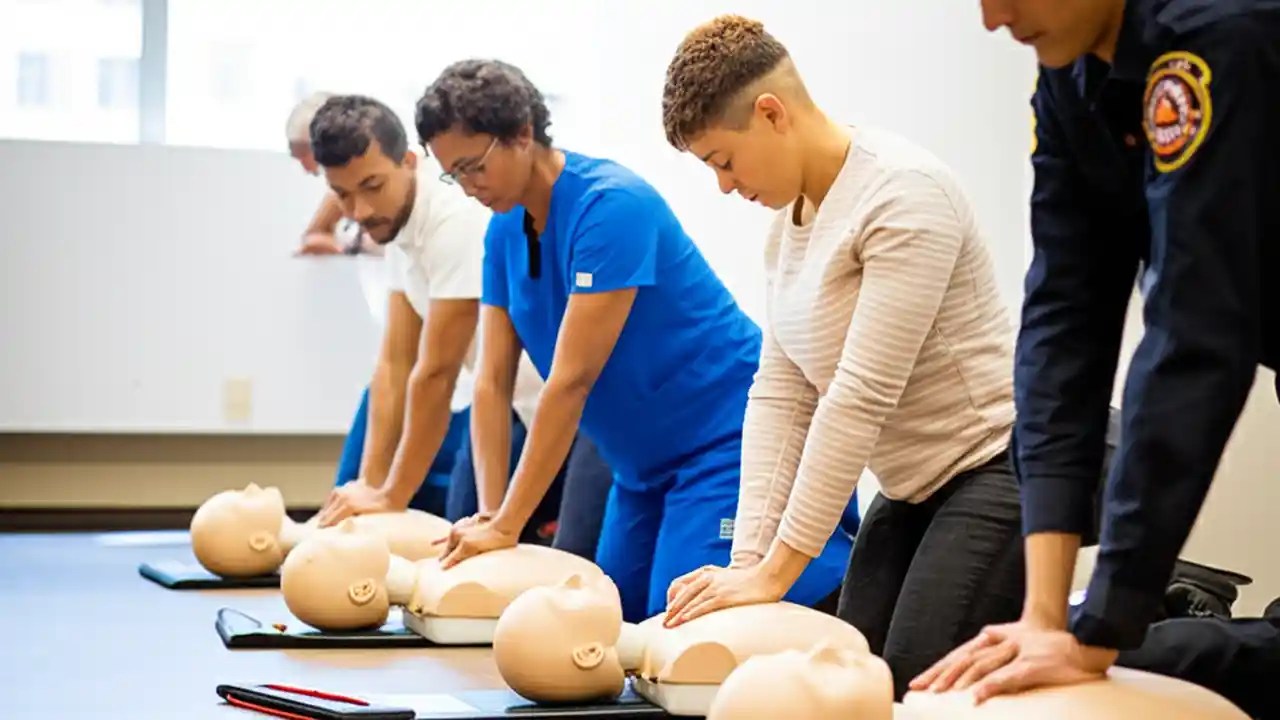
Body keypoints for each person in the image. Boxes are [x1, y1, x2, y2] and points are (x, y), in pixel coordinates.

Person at [914, 0, 1280, 706]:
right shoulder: (1071, 84)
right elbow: (1063, 327)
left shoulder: (1216, 34)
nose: (994, 18)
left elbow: (1194, 335)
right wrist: (1044, 620)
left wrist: (1103, 619)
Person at [657, 16, 1025, 699]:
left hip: (998, 468)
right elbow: (780, 394)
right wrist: (750, 566)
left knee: (912, 679)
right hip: (912, 487)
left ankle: (1131, 619)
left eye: (723, 161)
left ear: (771, 113)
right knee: (849, 666)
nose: (724, 187)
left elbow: (858, 395)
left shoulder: (904, 194)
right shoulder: (786, 229)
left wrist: (775, 575)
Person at [414, 58, 856, 623]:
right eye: (454, 175)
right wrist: (492, 514)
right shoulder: (503, 231)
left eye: (474, 165)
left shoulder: (611, 206)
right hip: (640, 468)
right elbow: (492, 382)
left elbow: (570, 383)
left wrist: (507, 526)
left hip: (726, 440)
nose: (468, 186)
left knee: (683, 621)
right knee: (612, 620)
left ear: (522, 134)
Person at [303, 95, 611, 556]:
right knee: (464, 540)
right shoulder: (394, 225)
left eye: (371, 186)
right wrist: (369, 485)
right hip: (511, 406)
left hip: (575, 411)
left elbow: (436, 372)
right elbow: (394, 363)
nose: (360, 211)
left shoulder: (454, 220)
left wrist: (390, 496)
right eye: (343, 195)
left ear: (408, 161)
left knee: (560, 557)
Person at [285, 90, 366, 256]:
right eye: (295, 154)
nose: (304, 166)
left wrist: (349, 246)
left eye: (303, 152)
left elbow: (388, 244)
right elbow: (312, 238)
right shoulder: (337, 193)